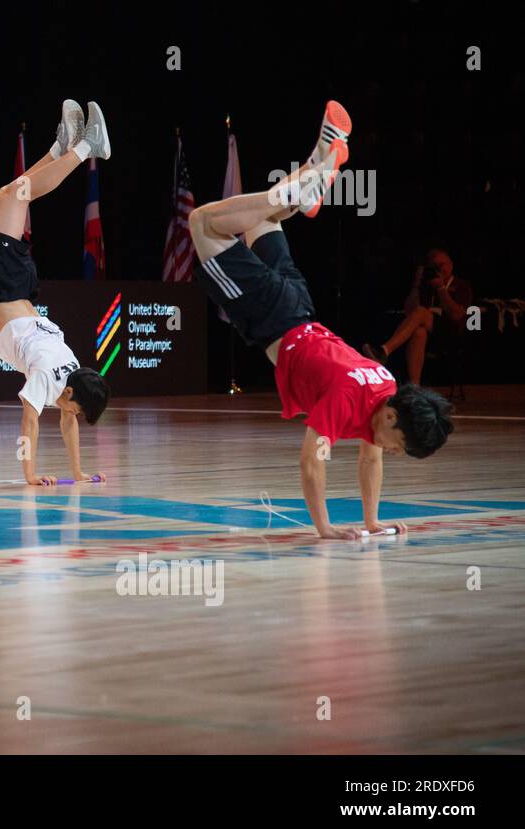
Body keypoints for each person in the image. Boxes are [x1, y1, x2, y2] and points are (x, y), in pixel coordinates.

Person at [188, 100, 453, 539]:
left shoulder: (387, 388)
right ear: (391, 419)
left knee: (263, 221)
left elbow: (371, 459)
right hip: (273, 315)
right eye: (402, 446)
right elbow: (311, 458)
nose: (393, 453)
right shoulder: (350, 399)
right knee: (203, 224)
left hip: (299, 305)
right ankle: (305, 183)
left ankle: (314, 168)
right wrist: (325, 528)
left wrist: (371, 522)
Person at [0, 99, 111, 485]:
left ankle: (61, 146)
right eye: (75, 410)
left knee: (10, 193)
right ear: (70, 391)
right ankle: (88, 148)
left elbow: (67, 422)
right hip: (7, 290)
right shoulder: (49, 379)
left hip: (22, 291)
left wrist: (78, 472)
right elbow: (29, 422)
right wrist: (30, 474)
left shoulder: (72, 367)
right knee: (13, 196)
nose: (71, 416)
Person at [361, 248, 472, 384]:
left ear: (451, 265)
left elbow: (456, 315)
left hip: (451, 333)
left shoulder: (461, 285)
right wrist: (416, 284)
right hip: (430, 334)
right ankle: (415, 386)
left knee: (420, 312)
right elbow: (408, 311)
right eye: (436, 266)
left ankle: (384, 351)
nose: (440, 268)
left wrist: (441, 289)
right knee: (419, 331)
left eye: (443, 264)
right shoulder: (426, 285)